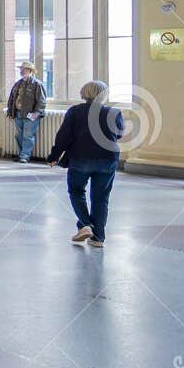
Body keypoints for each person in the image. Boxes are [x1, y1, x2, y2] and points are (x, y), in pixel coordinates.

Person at [48, 80, 126, 249]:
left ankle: (85, 225)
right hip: (107, 159)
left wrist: (54, 156)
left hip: (80, 159)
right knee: (101, 199)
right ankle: (98, 238)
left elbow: (63, 136)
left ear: (84, 94)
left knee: (76, 191)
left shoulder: (75, 112)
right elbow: (119, 134)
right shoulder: (114, 112)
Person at [4, 61, 47, 163]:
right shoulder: (17, 84)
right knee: (19, 135)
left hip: (31, 115)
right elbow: (12, 99)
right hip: (18, 113)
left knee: (28, 135)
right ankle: (21, 154)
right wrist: (10, 112)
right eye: (21, 69)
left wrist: (36, 114)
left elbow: (41, 101)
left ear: (30, 71)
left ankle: (24, 156)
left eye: (25, 69)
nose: (22, 71)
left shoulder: (37, 84)